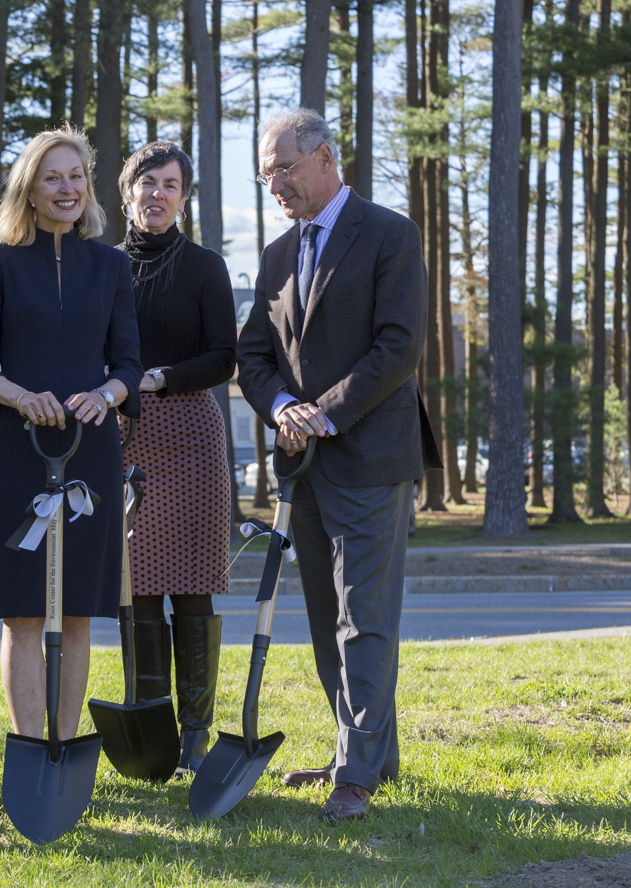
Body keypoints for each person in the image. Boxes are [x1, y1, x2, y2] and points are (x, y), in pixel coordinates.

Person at [237, 109, 441, 820]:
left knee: (365, 619)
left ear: (326, 158)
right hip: (305, 466)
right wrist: (282, 409)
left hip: (370, 456)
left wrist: (319, 413)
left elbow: (399, 346)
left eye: (284, 169)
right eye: (265, 175)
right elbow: (253, 356)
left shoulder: (390, 234)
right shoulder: (275, 256)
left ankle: (355, 775)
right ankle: (367, 756)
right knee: (328, 619)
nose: (275, 185)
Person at [0, 125, 142, 744]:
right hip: (20, 449)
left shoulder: (111, 264)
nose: (68, 188)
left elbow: (129, 364)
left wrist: (105, 396)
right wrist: (20, 397)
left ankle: (66, 745)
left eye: (76, 175)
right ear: (29, 189)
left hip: (91, 447)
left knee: (79, 610)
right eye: (52, 177)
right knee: (24, 612)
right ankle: (30, 748)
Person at [114, 142, 237, 775]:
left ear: (183, 198)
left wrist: (159, 378)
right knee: (135, 592)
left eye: (170, 185)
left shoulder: (205, 267)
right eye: (148, 182)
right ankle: (149, 725)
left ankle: (195, 735)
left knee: (191, 591)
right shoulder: (103, 266)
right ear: (126, 191)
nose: (158, 193)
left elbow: (224, 357)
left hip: (190, 435)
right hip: (120, 437)